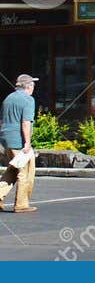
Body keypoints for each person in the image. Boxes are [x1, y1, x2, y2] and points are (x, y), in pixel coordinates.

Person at [1, 74, 37, 213]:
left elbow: (1, 120)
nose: (33, 88)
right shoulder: (28, 99)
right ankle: (21, 204)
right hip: (18, 141)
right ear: (28, 86)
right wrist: (27, 143)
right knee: (25, 172)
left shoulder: (8, 98)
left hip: (6, 138)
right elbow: (25, 122)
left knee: (13, 169)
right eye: (33, 85)